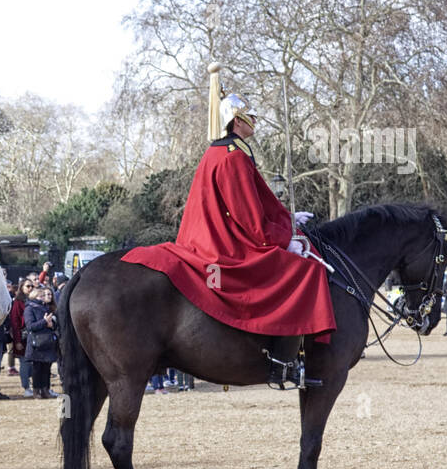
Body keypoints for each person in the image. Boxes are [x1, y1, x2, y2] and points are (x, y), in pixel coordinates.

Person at [121, 83, 335, 389]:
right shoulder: (233, 156)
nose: (255, 121)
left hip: (215, 235)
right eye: (250, 117)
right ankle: (283, 363)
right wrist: (284, 239)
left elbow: (254, 203)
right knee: (305, 270)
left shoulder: (226, 151)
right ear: (237, 121)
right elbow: (248, 216)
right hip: (224, 243)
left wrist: (287, 219)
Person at [24, 285, 59, 398]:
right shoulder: (29, 308)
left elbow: (53, 325)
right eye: (41, 296)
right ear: (34, 296)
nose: (44, 297)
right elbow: (30, 326)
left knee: (46, 368)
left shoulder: (47, 308)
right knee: (37, 368)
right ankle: (36, 390)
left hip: (47, 342)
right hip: (37, 343)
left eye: (44, 295)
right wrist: (44, 322)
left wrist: (51, 325)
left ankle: (45, 390)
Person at [10, 279, 34, 397]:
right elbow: (15, 322)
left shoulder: (34, 300)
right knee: (24, 363)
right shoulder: (18, 302)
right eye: (28, 286)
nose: (31, 288)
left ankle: (36, 385)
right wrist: (17, 340)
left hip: (34, 336)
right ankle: (26, 387)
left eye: (32, 286)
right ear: (22, 287)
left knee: (34, 363)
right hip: (23, 338)